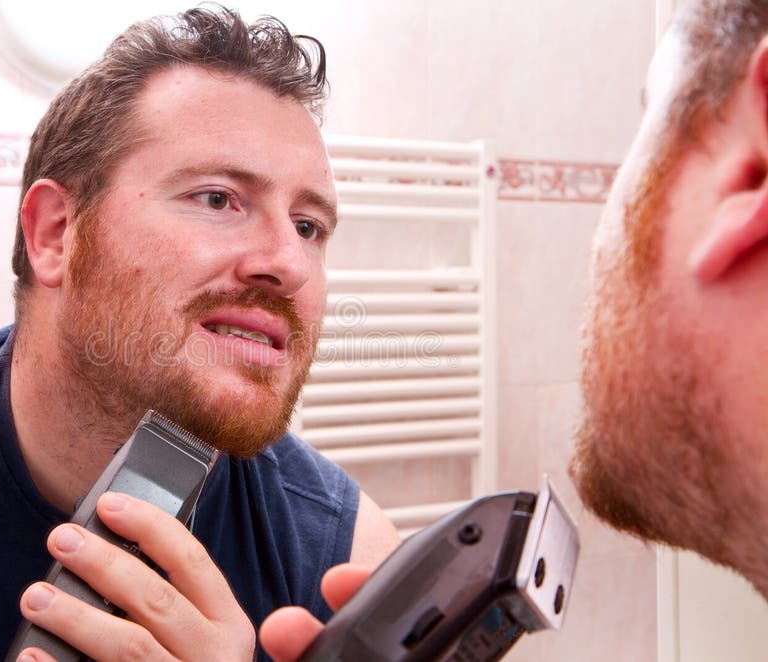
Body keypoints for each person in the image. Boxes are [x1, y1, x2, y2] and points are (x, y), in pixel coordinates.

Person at [0, 6, 400, 661]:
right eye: (217, 198)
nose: (290, 262)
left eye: (309, 227)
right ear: (55, 233)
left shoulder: (345, 561)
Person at [261, 1, 768, 658]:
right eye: (216, 200)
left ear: (751, 168)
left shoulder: (332, 519)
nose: (285, 262)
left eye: (644, 126)